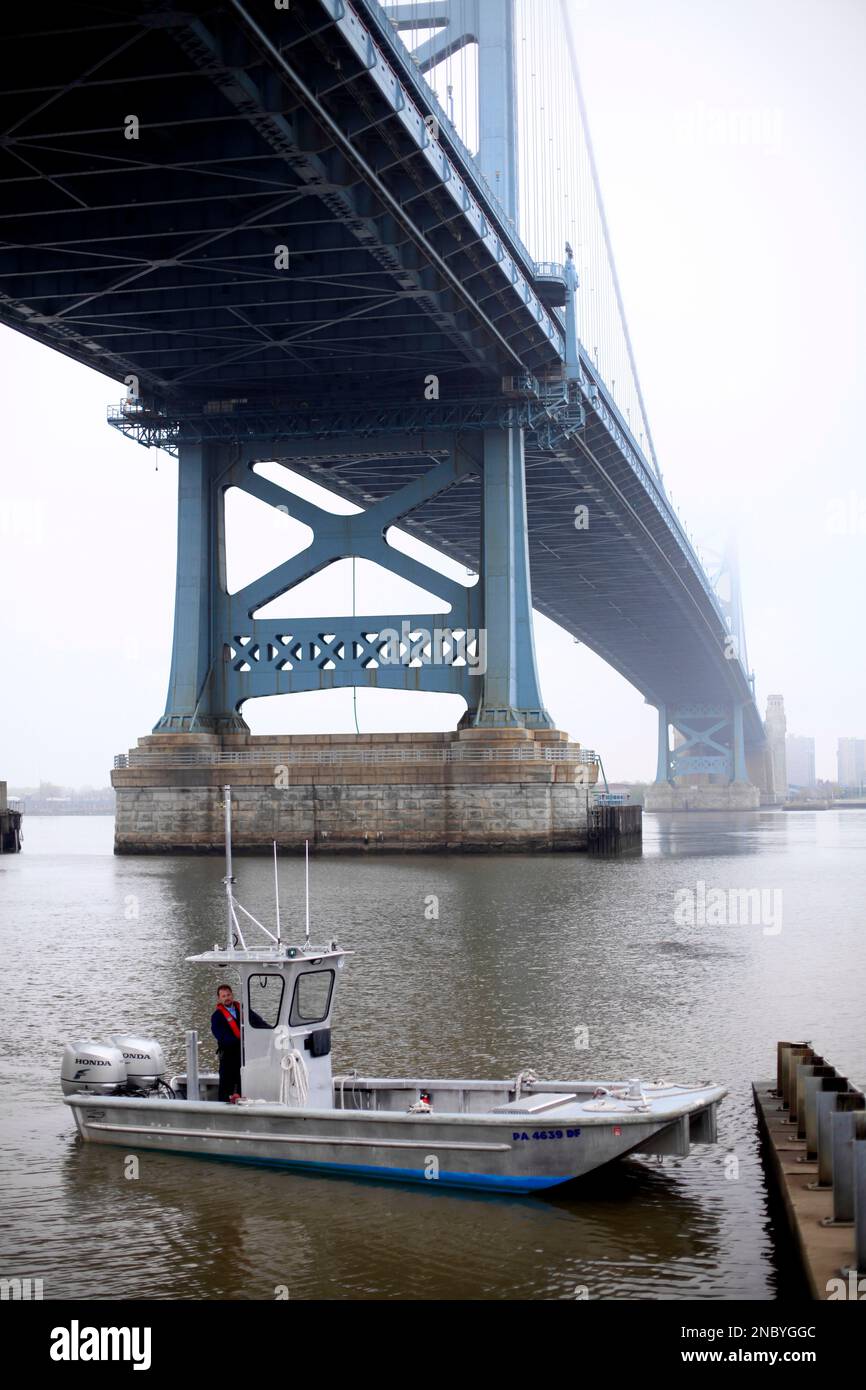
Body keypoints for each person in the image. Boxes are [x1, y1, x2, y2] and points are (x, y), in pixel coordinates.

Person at [210, 983, 271, 1102]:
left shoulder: (242, 1008)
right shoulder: (216, 1017)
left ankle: (244, 1103)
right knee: (226, 1083)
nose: (227, 998)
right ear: (219, 998)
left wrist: (270, 1031)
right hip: (228, 1055)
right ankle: (223, 1106)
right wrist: (239, 1040)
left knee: (243, 1080)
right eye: (223, 996)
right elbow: (221, 1037)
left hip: (244, 1053)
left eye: (228, 995)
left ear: (232, 995)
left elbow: (257, 1021)